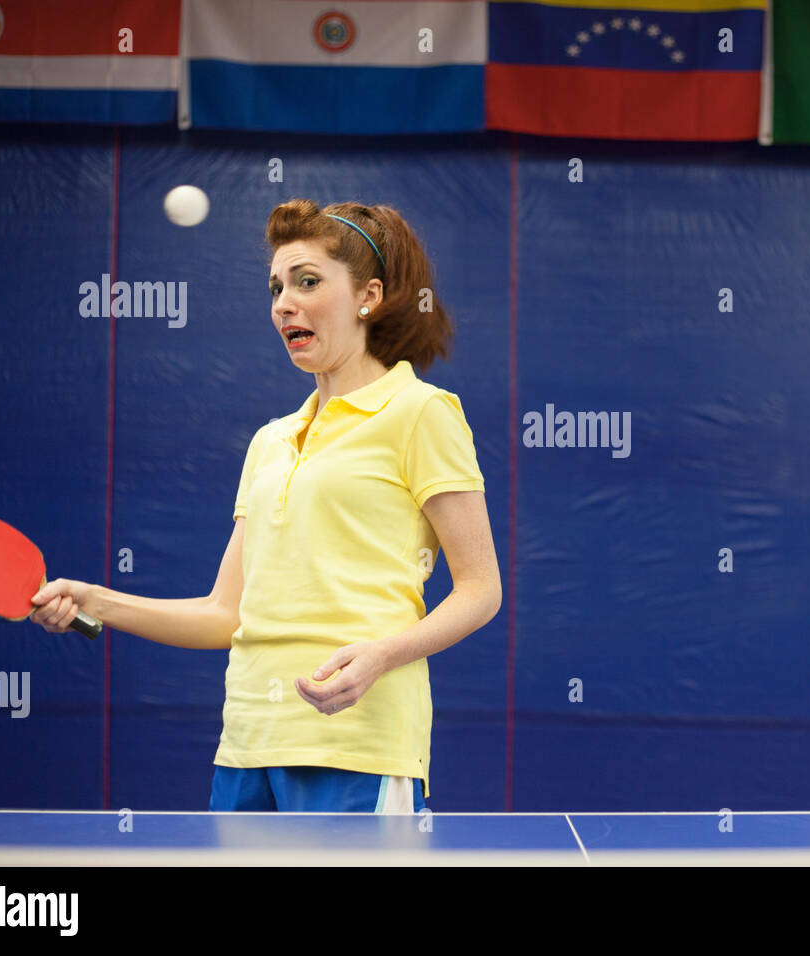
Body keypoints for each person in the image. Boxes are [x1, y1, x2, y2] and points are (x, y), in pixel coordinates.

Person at [32, 199, 501, 813]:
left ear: (369, 296)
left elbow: (481, 589)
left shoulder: (421, 412)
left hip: (357, 745)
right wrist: (95, 601)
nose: (284, 303)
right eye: (276, 287)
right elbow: (225, 614)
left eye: (307, 281)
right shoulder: (270, 441)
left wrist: (382, 655)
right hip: (247, 744)